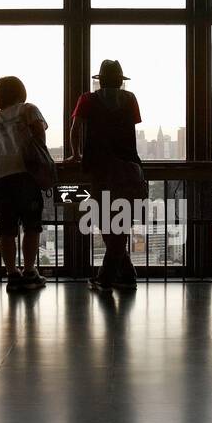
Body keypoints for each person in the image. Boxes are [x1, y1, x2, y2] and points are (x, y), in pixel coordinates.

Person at [70, 59, 144, 291]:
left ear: (99, 80)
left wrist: (76, 154)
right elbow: (132, 128)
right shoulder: (130, 99)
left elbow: (75, 128)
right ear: (121, 81)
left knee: (105, 221)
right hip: (129, 168)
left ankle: (106, 278)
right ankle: (126, 274)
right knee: (121, 222)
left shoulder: (87, 99)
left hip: (98, 168)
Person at [0, 75, 49, 291]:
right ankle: (30, 271)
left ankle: (12, 273)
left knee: (6, 229)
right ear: (21, 92)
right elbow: (40, 135)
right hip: (25, 173)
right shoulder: (28, 109)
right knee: (32, 225)